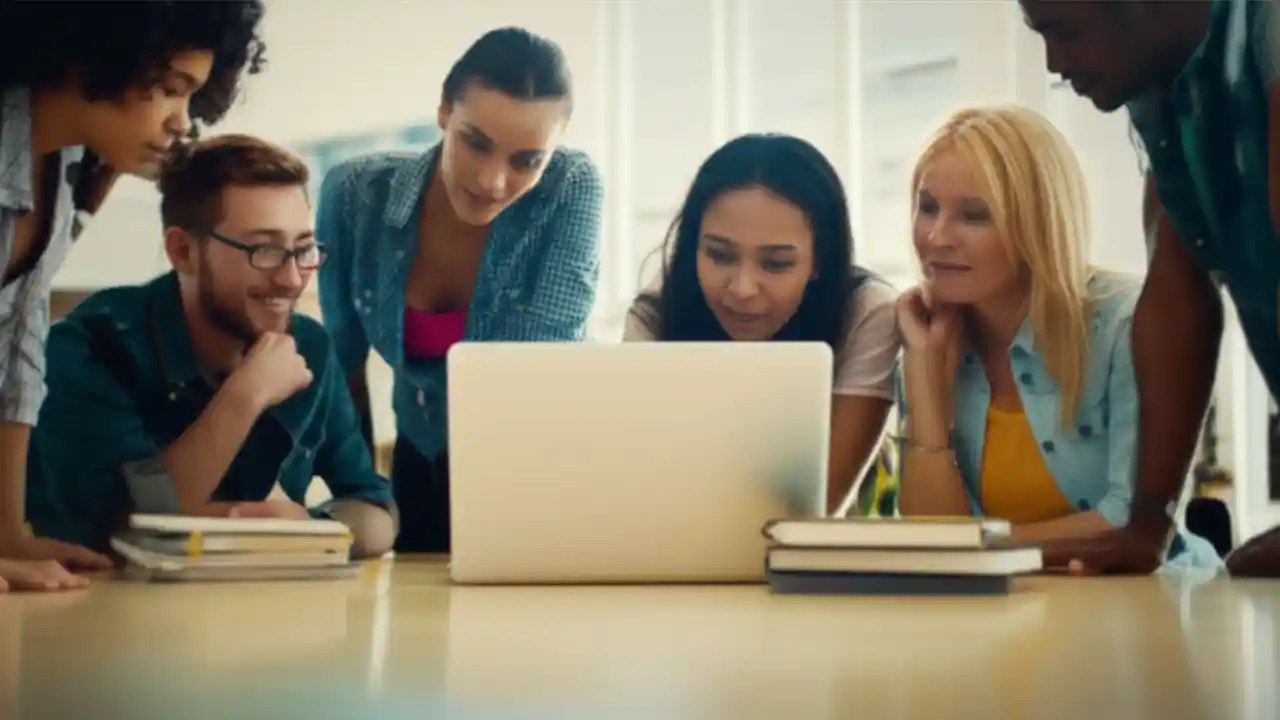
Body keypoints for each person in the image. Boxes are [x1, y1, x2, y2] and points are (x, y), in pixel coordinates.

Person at [25, 135, 396, 559]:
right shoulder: (90, 347)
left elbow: (375, 510)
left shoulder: (308, 345)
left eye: (303, 249)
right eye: (265, 250)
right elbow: (123, 530)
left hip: (252, 595)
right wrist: (246, 394)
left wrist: (311, 529)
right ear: (182, 251)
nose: (293, 279)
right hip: (104, 597)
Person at [0, 1, 267, 583]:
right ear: (97, 53)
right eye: (170, 89)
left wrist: (9, 537)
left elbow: (15, 355)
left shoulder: (64, 166)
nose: (182, 122)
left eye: (191, 98)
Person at [318, 27, 602, 553]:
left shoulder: (570, 187)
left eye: (527, 160)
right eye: (476, 143)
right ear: (444, 111)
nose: (493, 181)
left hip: (530, 463)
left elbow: (534, 368)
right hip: (417, 454)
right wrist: (362, 497)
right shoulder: (356, 194)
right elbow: (343, 365)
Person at [1019, 0, 1279, 575]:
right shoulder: (1165, 94)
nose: (1055, 63)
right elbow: (1176, 300)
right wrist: (1146, 523)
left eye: (1065, 32)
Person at [895, 105, 1218, 566]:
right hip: (1010, 604)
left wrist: (978, 547)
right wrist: (925, 384)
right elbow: (933, 546)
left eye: (974, 215)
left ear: (1038, 223)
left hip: (1144, 599)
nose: (936, 237)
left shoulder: (1126, 327)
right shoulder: (927, 343)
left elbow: (1128, 525)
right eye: (928, 207)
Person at [624, 134, 900, 515]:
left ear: (820, 260)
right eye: (719, 255)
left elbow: (818, 508)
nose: (742, 288)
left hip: (822, 546)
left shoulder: (867, 310)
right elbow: (642, 484)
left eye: (776, 264)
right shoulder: (658, 311)